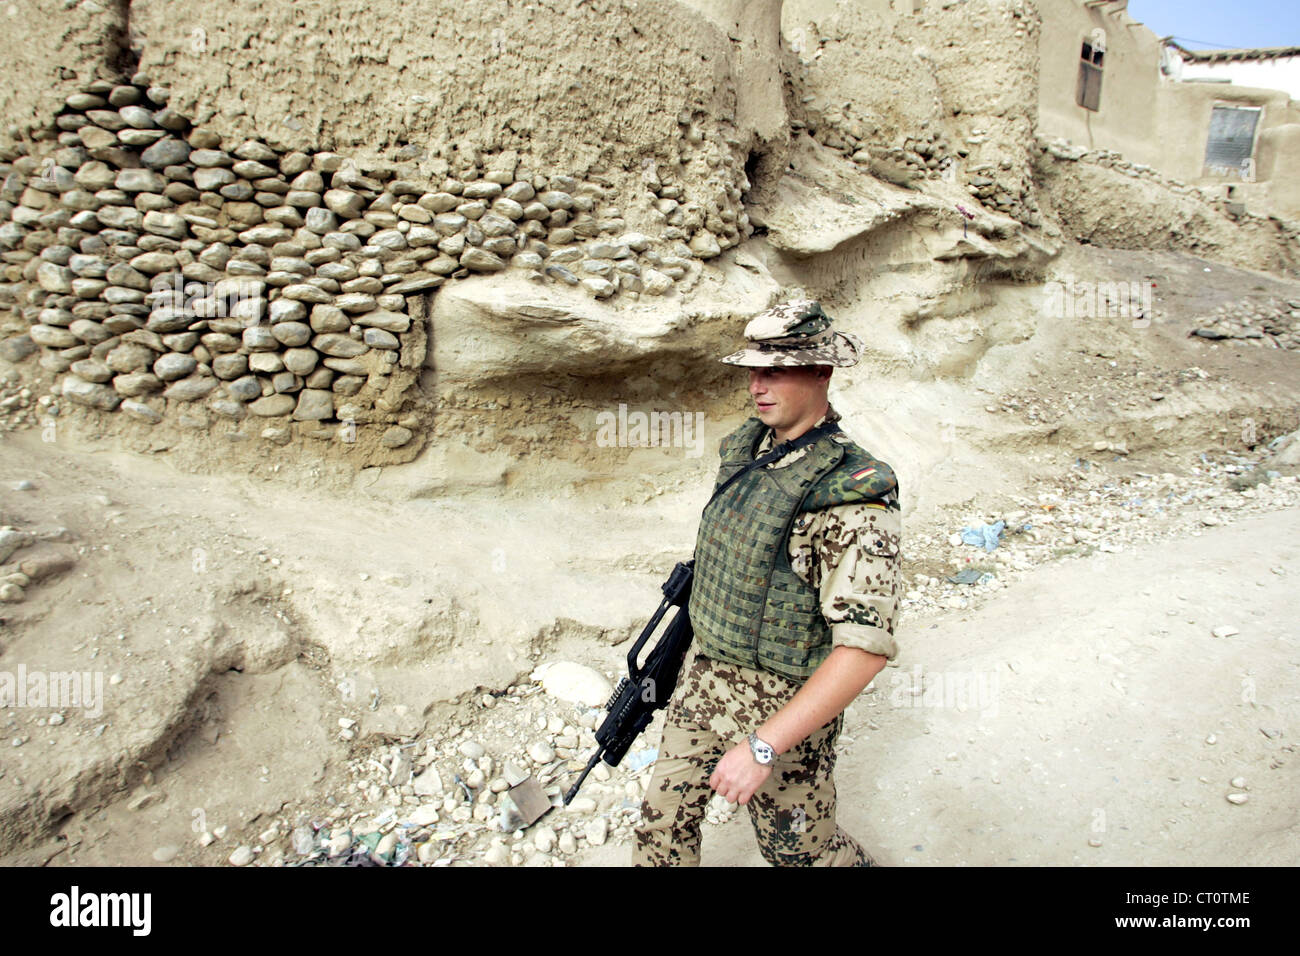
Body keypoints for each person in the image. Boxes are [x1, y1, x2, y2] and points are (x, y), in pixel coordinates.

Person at [631, 299, 902, 867]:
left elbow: (863, 651)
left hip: (786, 697)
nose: (757, 385)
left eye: (775, 368)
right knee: (660, 824)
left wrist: (762, 746)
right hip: (707, 676)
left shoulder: (852, 492)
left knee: (803, 852)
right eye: (753, 369)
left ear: (821, 372)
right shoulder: (746, 450)